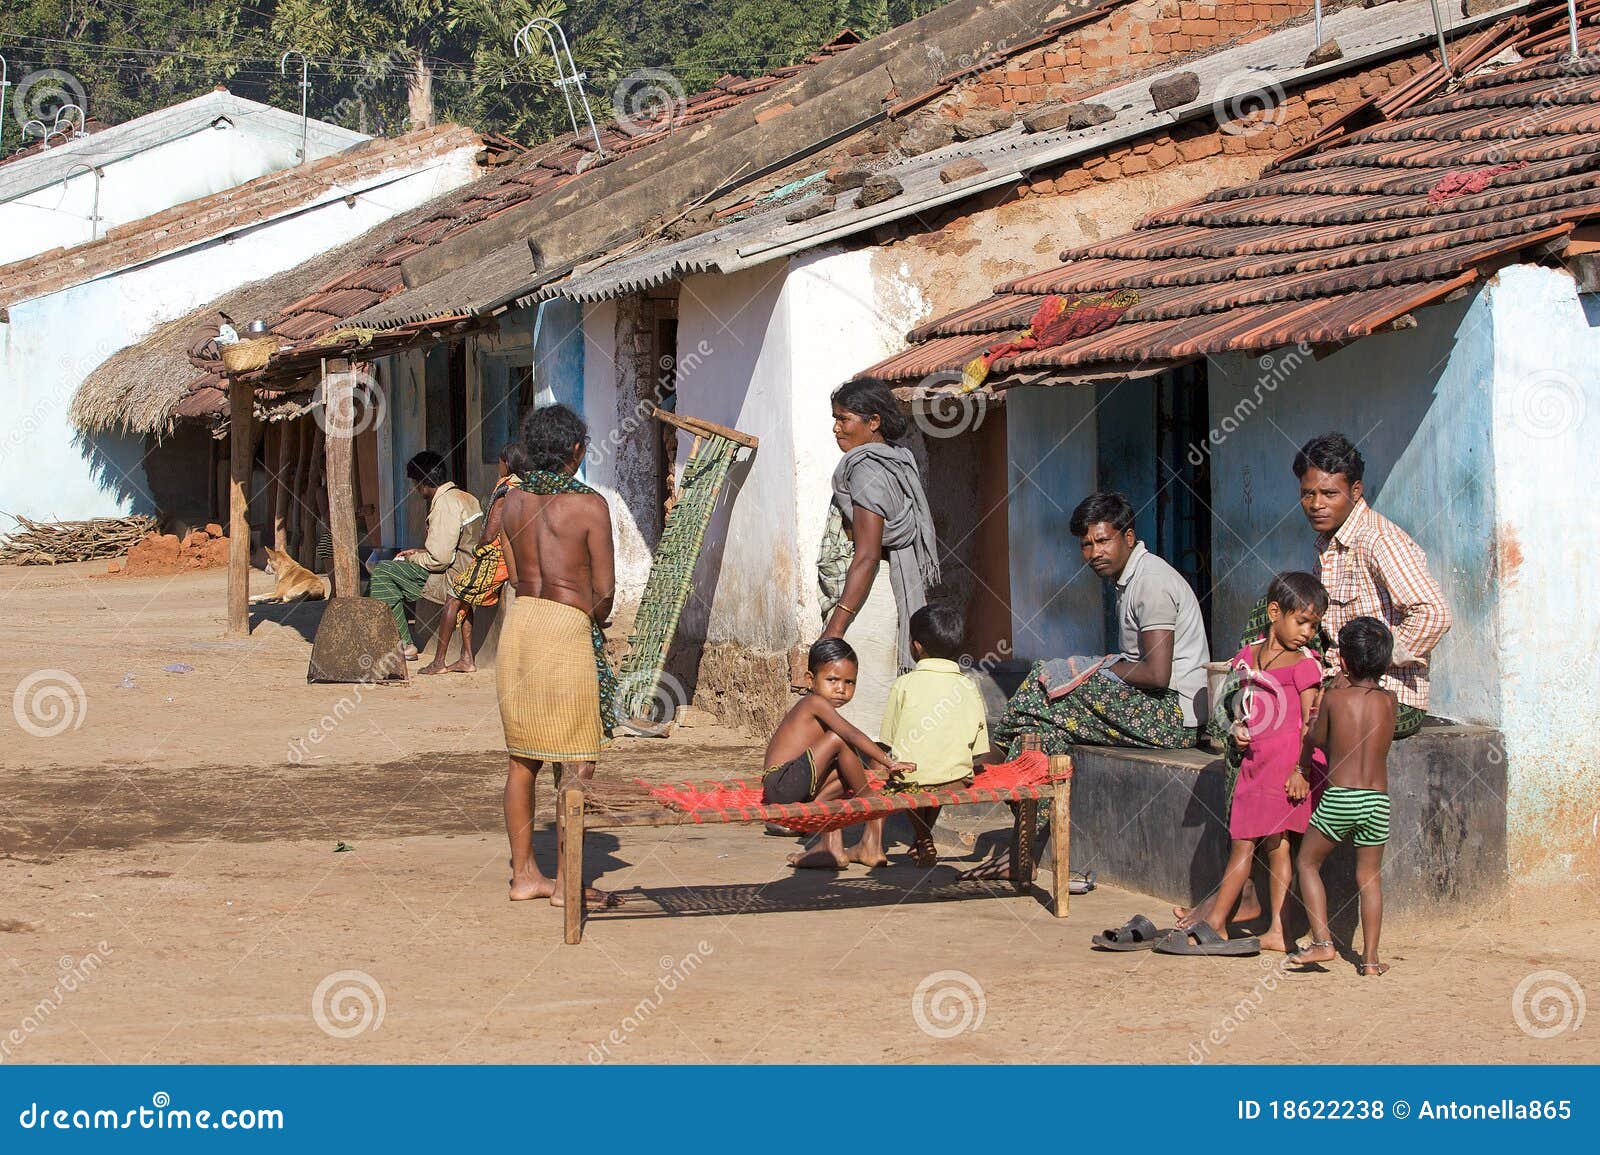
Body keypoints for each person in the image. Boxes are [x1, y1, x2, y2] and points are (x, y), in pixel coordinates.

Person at [963, 492, 1209, 880]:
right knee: (1039, 734)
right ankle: (1022, 851)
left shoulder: (1151, 584)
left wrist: (1099, 668)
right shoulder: (1128, 579)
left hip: (1172, 716)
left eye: (1103, 540)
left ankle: (989, 756)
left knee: (1049, 676)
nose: (1094, 552)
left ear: (1128, 537)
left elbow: (1157, 675)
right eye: (1086, 544)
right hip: (1151, 706)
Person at [497, 404, 622, 907]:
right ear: (575, 450)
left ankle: (525, 874)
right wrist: (584, 617)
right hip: (567, 628)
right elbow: (606, 590)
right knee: (577, 762)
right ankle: (567, 883)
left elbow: (510, 571)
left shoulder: (509, 503)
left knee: (521, 758)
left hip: (521, 624)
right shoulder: (590, 506)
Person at [1171, 573, 1327, 953]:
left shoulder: (1305, 665)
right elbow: (1241, 706)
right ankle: (1277, 930)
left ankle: (1219, 924)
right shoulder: (1246, 657)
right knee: (1274, 846)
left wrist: (1301, 771)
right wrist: (1239, 728)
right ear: (1275, 612)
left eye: (1314, 625)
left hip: (1287, 765)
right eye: (1301, 621)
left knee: (1251, 844)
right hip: (1255, 762)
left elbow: (1312, 722)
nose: (1307, 632)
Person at [1288, 432, 1451, 739]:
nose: (1316, 504)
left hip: (1391, 695)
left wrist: (1369, 666)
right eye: (1308, 494)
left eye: (1329, 494)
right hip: (1340, 683)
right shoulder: (1328, 546)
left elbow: (1434, 613)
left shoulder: (1378, 540)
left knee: (1313, 722)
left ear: (1356, 490)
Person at [817, 379, 941, 738]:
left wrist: (834, 631)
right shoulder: (898, 459)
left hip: (869, 597)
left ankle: (866, 788)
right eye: (835, 419)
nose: (836, 428)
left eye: (844, 419)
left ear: (873, 421)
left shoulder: (867, 468)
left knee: (859, 716)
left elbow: (868, 554)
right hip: (885, 589)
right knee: (877, 710)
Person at [1289, 616, 1396, 976]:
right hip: (1377, 801)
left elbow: (1316, 739)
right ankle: (1370, 960)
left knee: (1307, 863)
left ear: (1345, 662)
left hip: (1341, 796)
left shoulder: (1335, 698)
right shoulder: (1391, 701)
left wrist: (1328, 694)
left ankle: (1321, 941)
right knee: (1369, 877)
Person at [767, 638, 915, 871]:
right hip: (781, 784)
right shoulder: (813, 702)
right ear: (810, 680)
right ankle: (870, 804)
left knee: (846, 768)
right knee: (840, 740)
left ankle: (832, 849)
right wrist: (888, 762)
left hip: (799, 783)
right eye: (832, 680)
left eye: (849, 682)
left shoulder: (822, 707)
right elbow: (850, 734)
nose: (841, 689)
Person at [878, 600, 998, 868]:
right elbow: (979, 748)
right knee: (940, 774)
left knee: (908, 776)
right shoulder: (968, 686)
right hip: (956, 779)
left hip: (912, 779)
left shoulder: (903, 684)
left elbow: (888, 741)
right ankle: (923, 838)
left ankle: (922, 836)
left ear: (916, 646)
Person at [418, 442, 529, 676]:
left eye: (499, 461)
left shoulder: (505, 490)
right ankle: (466, 658)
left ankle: (439, 662)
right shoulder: (525, 488)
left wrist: (480, 546)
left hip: (495, 558)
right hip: (510, 556)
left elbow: (491, 532)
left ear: (506, 464)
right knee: (464, 599)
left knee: (453, 596)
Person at [368, 452, 482, 661]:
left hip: (453, 577)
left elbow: (440, 560)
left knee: (383, 572)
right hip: (465, 568)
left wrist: (412, 559)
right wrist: (419, 552)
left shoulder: (445, 504)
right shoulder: (464, 497)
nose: (414, 488)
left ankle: (403, 644)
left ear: (423, 482)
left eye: (415, 483)